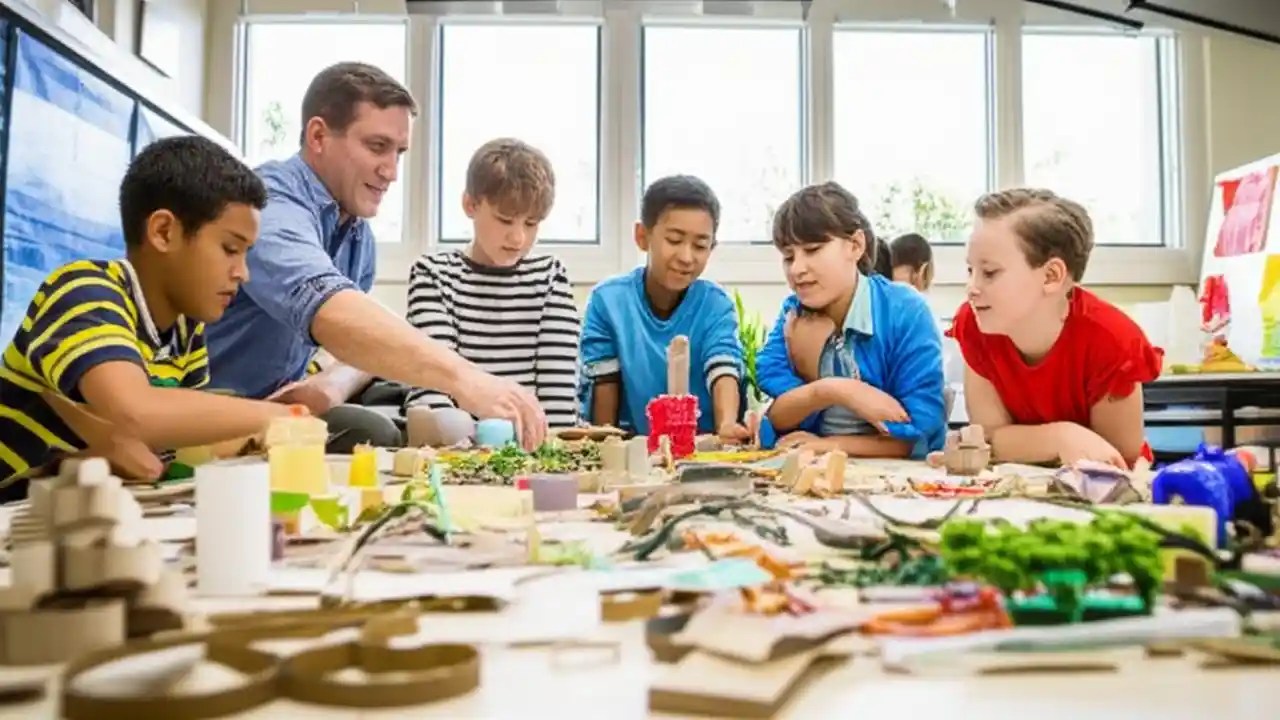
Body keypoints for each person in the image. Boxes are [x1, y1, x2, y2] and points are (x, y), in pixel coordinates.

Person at [204, 62, 546, 450]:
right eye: (377, 147)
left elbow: (357, 344)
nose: (392, 171)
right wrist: (466, 379)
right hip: (209, 412)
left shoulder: (357, 237)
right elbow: (328, 309)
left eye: (399, 152)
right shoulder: (269, 202)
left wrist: (332, 384)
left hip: (277, 411)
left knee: (377, 431)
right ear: (318, 136)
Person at [0, 136, 296, 501]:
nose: (243, 273)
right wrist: (281, 416)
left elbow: (167, 453)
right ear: (163, 232)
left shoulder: (186, 331)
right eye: (230, 249)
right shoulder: (82, 291)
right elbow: (135, 411)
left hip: (84, 518)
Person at [947, 188, 1162, 468]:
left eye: (989, 273)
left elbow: (1119, 457)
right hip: (1019, 484)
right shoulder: (974, 324)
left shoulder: (1112, 340)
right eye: (969, 270)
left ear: (1051, 276)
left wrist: (1019, 443)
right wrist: (1061, 437)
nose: (971, 288)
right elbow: (987, 438)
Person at [755, 181, 946, 458]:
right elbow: (778, 416)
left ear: (855, 245)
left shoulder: (905, 310)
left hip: (898, 477)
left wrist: (828, 445)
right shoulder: (793, 313)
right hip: (820, 472)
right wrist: (835, 389)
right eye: (788, 257)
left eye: (812, 250)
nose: (797, 269)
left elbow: (915, 434)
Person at [403, 138, 579, 427]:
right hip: (454, 444)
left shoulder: (550, 278)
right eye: (505, 220)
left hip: (532, 444)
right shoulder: (434, 275)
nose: (518, 238)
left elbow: (558, 405)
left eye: (531, 223)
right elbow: (433, 389)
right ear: (470, 204)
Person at [579, 175, 747, 439]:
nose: (686, 257)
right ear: (642, 236)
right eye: (674, 240)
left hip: (701, 450)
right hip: (636, 449)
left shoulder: (715, 304)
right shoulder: (609, 301)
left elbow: (723, 368)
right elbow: (604, 386)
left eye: (700, 245)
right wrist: (608, 445)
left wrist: (726, 426)